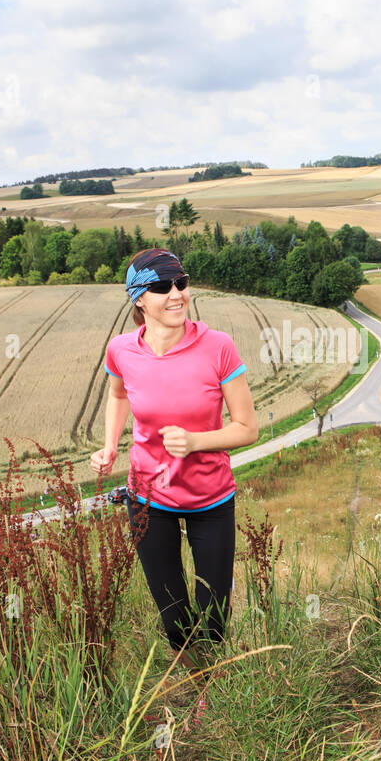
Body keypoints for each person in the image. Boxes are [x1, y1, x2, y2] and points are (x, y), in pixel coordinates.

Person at [90, 248, 259, 696]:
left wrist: (196, 441)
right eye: (162, 287)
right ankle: (204, 686)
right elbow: (119, 396)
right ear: (138, 299)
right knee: (173, 612)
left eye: (181, 283)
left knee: (214, 610)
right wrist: (110, 445)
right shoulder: (121, 350)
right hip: (147, 497)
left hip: (211, 499)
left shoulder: (218, 346)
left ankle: (214, 679)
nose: (176, 294)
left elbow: (248, 428)